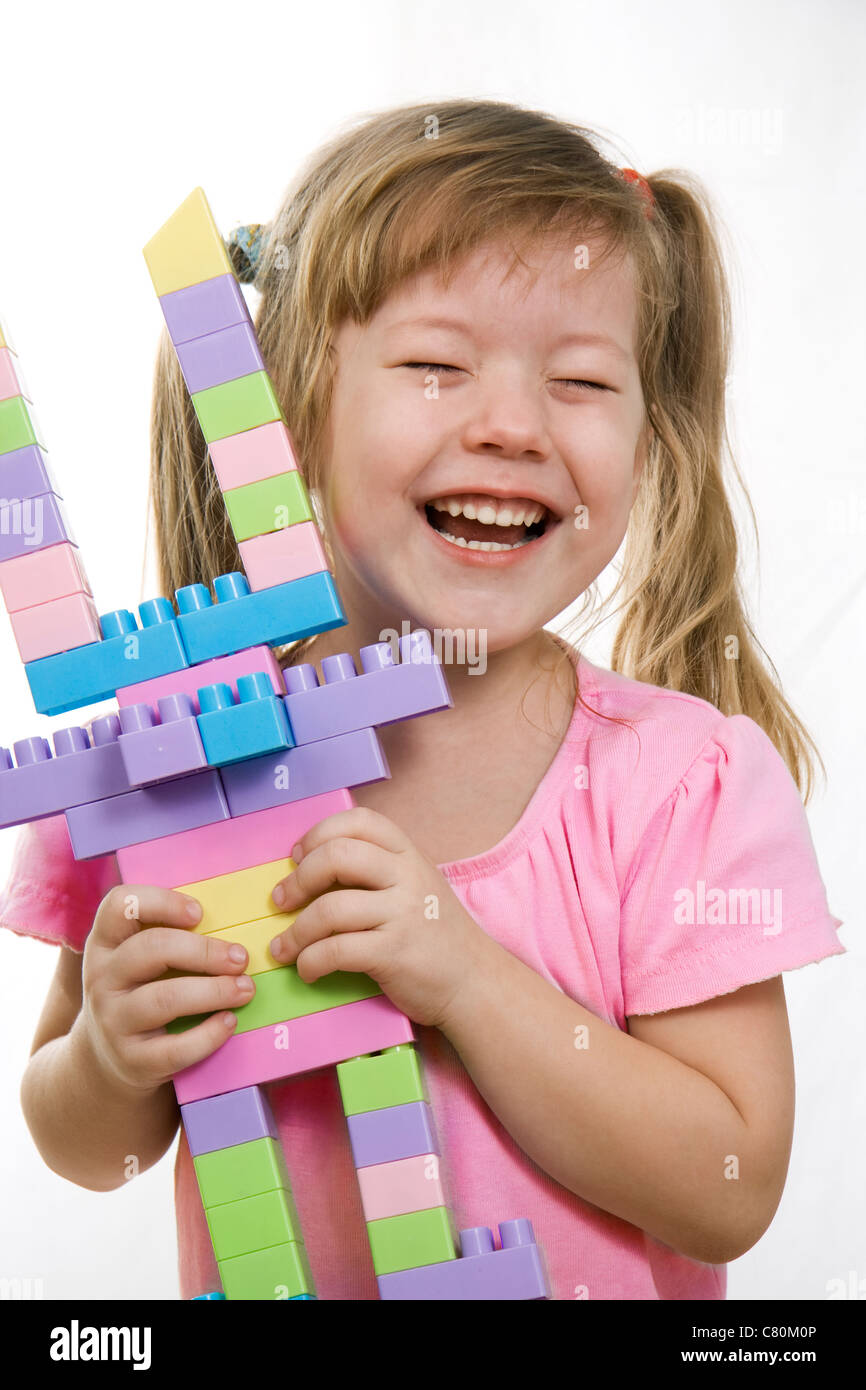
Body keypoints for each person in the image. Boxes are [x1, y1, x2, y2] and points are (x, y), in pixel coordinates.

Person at [1, 99, 844, 1301]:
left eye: (581, 381)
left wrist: (466, 979)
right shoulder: (178, 763)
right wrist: (110, 1054)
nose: (510, 426)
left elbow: (727, 1189)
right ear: (289, 416)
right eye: (436, 367)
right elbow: (91, 1146)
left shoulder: (680, 783)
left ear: (646, 438)